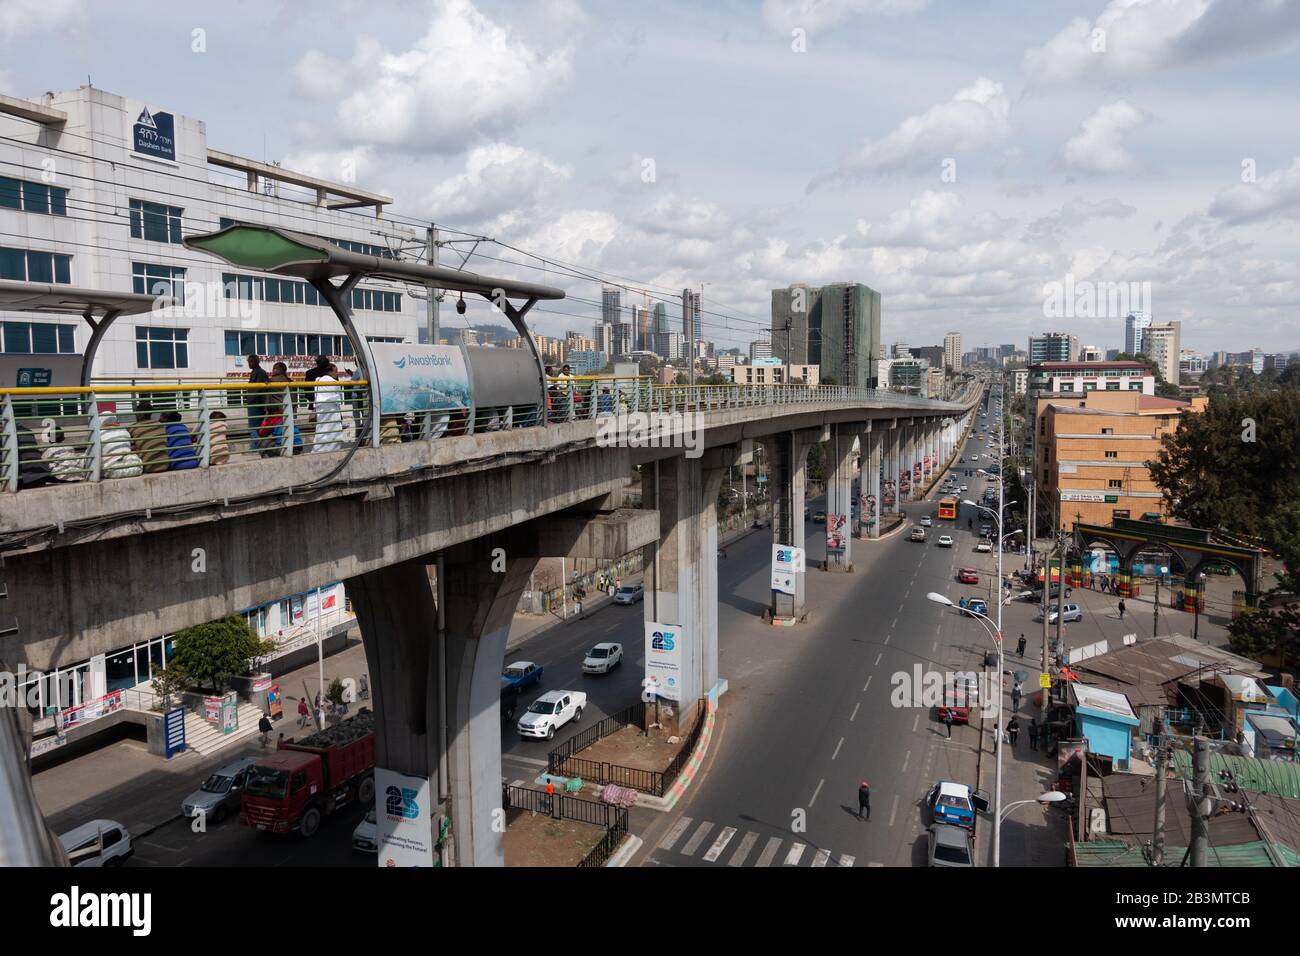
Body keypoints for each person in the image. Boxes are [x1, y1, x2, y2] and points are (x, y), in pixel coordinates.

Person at [311, 364, 346, 453]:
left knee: (321, 428)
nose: (337, 373)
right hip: (332, 409)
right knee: (333, 428)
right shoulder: (335, 383)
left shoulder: (318, 380)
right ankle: (333, 448)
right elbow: (338, 397)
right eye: (335, 371)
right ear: (330, 372)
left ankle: (318, 449)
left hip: (321, 408)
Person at [130, 402, 170, 473]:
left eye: (136, 412)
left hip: (147, 467)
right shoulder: (160, 425)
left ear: (140, 414)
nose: (135, 415)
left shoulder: (133, 428)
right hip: (165, 464)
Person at [246, 354, 271, 455]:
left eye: (250, 362)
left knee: (254, 427)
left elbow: (257, 390)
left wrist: (250, 399)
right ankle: (258, 447)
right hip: (258, 404)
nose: (249, 364)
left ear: (255, 362)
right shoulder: (259, 372)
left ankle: (254, 449)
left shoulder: (258, 373)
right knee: (258, 427)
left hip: (255, 404)